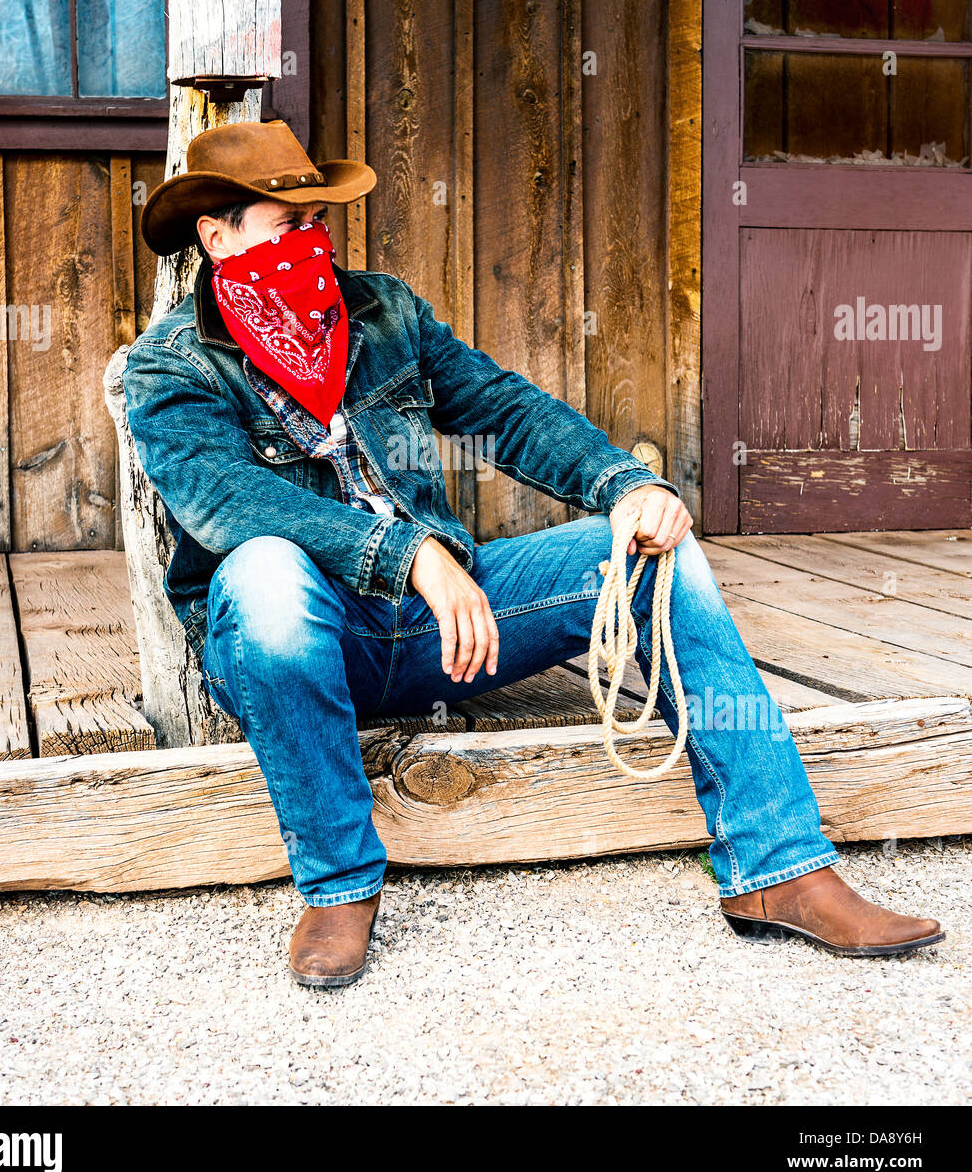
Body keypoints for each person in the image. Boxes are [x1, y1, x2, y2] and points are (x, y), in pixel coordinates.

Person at [123, 119, 944, 988]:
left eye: (317, 221)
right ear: (217, 238)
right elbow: (227, 501)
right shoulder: (170, 366)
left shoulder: (380, 311)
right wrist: (409, 555)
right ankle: (338, 886)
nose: (311, 241)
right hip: (299, 642)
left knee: (651, 554)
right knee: (261, 565)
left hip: (436, 625)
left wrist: (623, 484)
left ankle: (779, 871)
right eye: (286, 225)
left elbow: (503, 409)